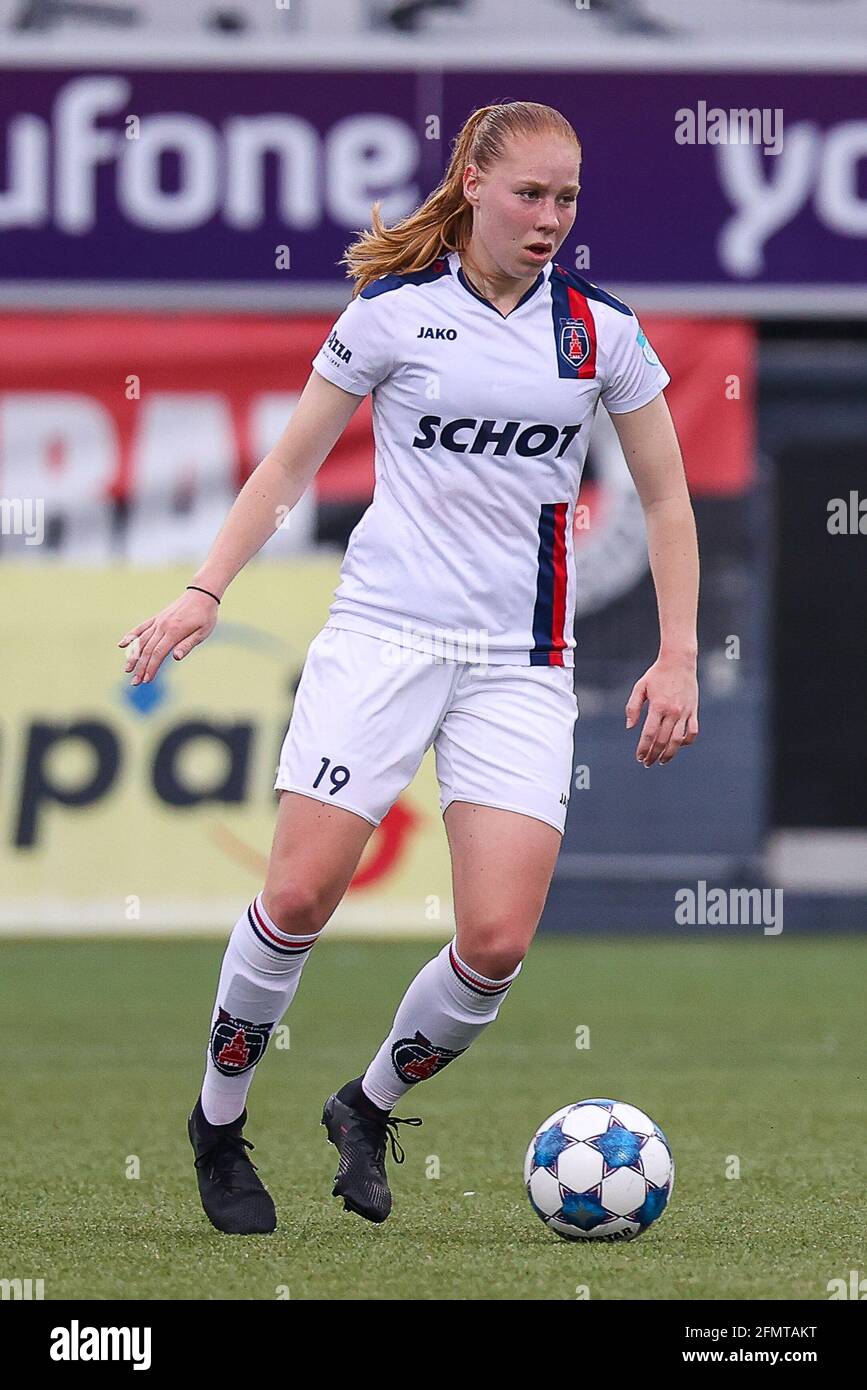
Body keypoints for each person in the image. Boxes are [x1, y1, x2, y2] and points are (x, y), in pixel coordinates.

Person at [118, 100, 699, 1235]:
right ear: (472, 182)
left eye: (568, 197)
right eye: (529, 193)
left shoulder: (601, 332)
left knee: (494, 944)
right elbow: (289, 466)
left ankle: (365, 1104)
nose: (550, 218)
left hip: (521, 661)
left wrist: (678, 653)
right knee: (295, 895)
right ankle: (220, 1123)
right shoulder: (392, 316)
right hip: (383, 637)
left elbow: (668, 497)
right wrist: (204, 590)